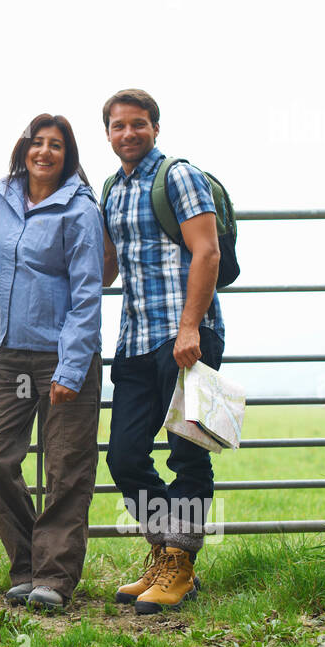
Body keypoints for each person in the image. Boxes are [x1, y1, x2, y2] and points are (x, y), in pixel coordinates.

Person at [0, 114, 104, 611]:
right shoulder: (4, 195)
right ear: (24, 148)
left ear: (67, 155)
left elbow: (87, 294)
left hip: (63, 355)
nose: (44, 152)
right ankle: (28, 564)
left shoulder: (79, 209)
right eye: (37, 143)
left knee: (67, 467)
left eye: (56, 145)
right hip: (8, 354)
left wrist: (71, 370)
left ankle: (54, 577)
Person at [100, 88, 224, 614]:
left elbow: (207, 249)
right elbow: (107, 269)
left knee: (188, 455)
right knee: (125, 456)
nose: (128, 133)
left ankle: (180, 564)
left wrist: (190, 328)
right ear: (107, 134)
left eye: (138, 124)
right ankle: (165, 552)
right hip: (134, 339)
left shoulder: (176, 175)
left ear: (155, 127)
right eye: (118, 126)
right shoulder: (111, 188)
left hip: (186, 338)